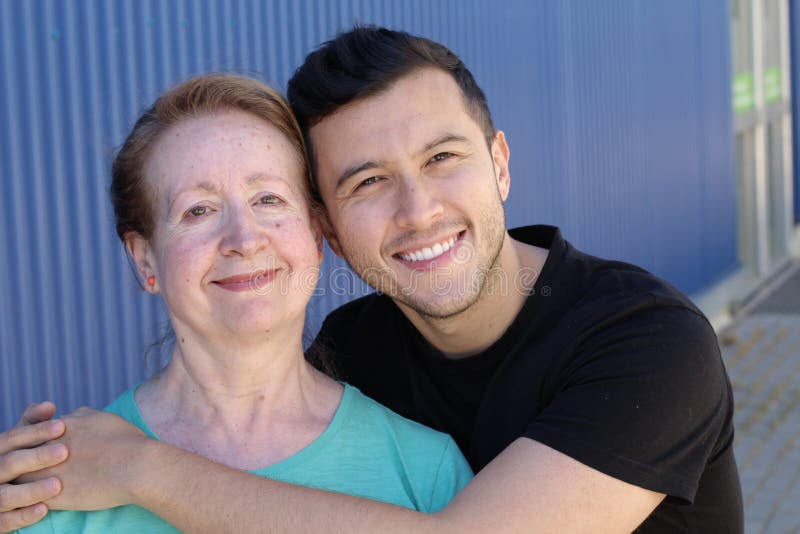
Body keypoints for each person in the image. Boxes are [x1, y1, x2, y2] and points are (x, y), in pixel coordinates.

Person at [1, 26, 743, 533]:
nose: (418, 212)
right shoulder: (356, 350)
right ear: (326, 223)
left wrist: (140, 469)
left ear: (502, 163)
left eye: (442, 158)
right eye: (367, 182)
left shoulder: (647, 342)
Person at [0, 73, 472, 533]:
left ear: (314, 234)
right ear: (145, 258)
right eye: (198, 211)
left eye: (268, 199)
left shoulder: (426, 474)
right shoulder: (53, 481)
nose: (244, 240)